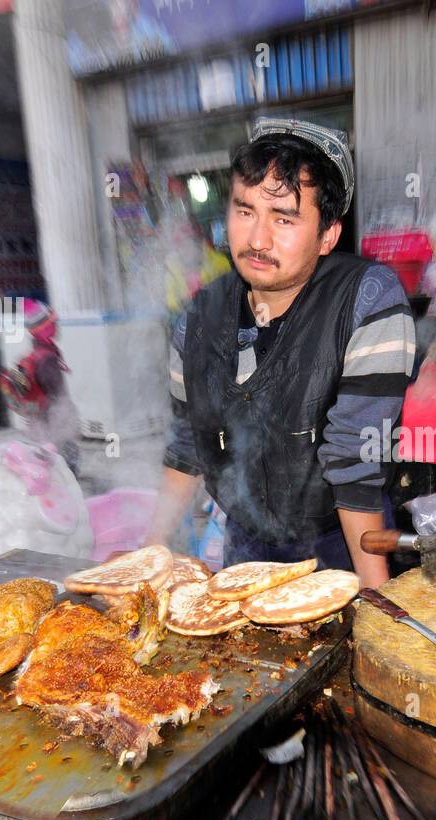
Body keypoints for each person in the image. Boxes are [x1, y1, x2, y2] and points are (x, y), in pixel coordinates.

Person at [143, 118, 416, 588]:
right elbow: (188, 445)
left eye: (284, 218)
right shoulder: (196, 318)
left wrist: (377, 604)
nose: (257, 240)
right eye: (245, 211)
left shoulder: (368, 300)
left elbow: (355, 462)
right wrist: (147, 560)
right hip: (245, 550)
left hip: (342, 544)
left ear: (328, 234)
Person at [0, 299, 82, 476]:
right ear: (46, 327)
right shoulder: (47, 359)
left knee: (45, 470)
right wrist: (72, 421)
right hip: (55, 426)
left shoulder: (33, 356)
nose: (57, 326)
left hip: (38, 425)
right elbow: (59, 396)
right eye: (54, 323)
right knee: (65, 474)